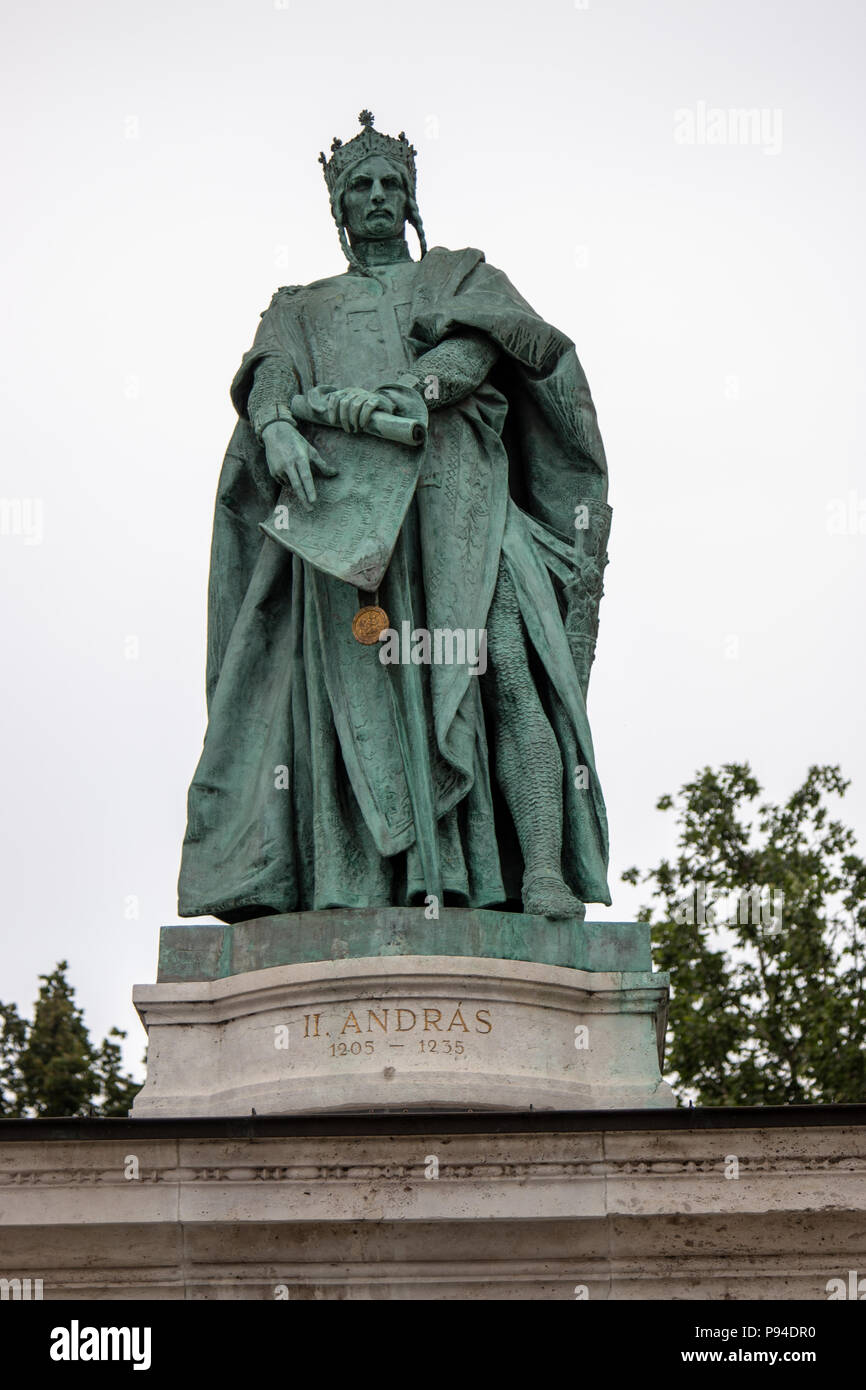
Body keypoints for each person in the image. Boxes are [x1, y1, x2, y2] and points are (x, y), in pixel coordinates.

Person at [178, 111, 612, 923]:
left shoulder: (457, 273)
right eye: (359, 188)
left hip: (463, 501)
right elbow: (270, 373)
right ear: (339, 210)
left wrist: (409, 392)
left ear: (410, 201)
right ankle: (358, 881)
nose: (376, 197)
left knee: (509, 674)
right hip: (347, 522)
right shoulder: (302, 304)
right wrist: (275, 425)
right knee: (351, 702)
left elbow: (486, 347)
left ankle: (541, 873)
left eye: (390, 185)